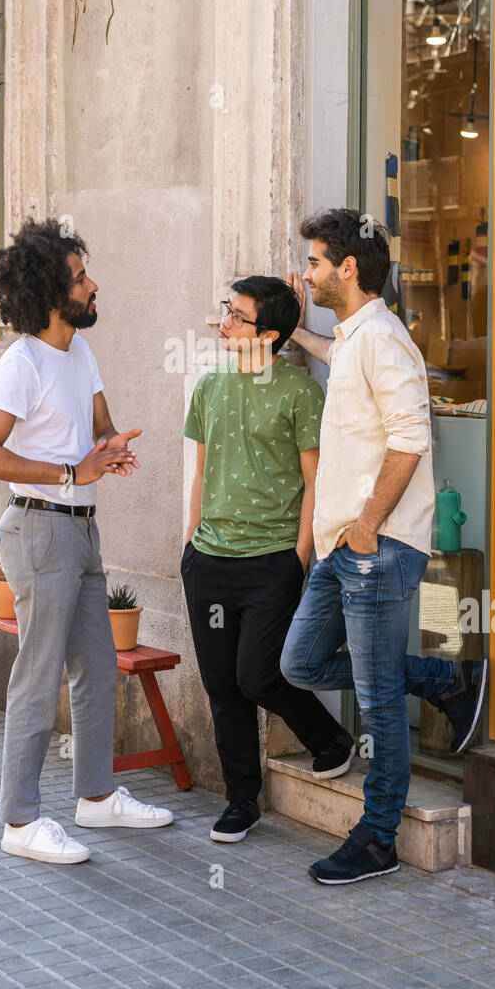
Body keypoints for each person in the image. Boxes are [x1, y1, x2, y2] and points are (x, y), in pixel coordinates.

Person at [280, 209, 487, 884]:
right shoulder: (355, 337)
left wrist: (368, 523)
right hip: (344, 545)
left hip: (375, 545)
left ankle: (377, 838)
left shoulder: (385, 339)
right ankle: (441, 678)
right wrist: (293, 332)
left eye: (314, 262)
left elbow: (410, 436)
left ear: (348, 267)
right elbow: (334, 352)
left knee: (374, 703)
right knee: (301, 663)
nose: (307, 272)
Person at [0, 218, 173, 865]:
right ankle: (20, 821)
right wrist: (68, 471)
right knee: (38, 673)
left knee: (97, 664)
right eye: (81, 278)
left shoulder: (78, 352)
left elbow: (97, 426)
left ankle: (95, 796)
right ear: (52, 293)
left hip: (80, 528)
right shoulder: (19, 364)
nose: (93, 286)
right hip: (38, 528)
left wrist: (106, 450)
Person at [181, 277, 356, 845]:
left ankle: (331, 739)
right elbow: (201, 472)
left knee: (257, 674)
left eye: (238, 315)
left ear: (272, 334)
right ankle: (241, 800)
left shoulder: (301, 393)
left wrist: (297, 559)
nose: (224, 322)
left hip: (270, 561)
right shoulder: (209, 388)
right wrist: (189, 545)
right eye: (226, 310)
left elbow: (315, 482)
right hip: (208, 561)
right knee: (221, 687)